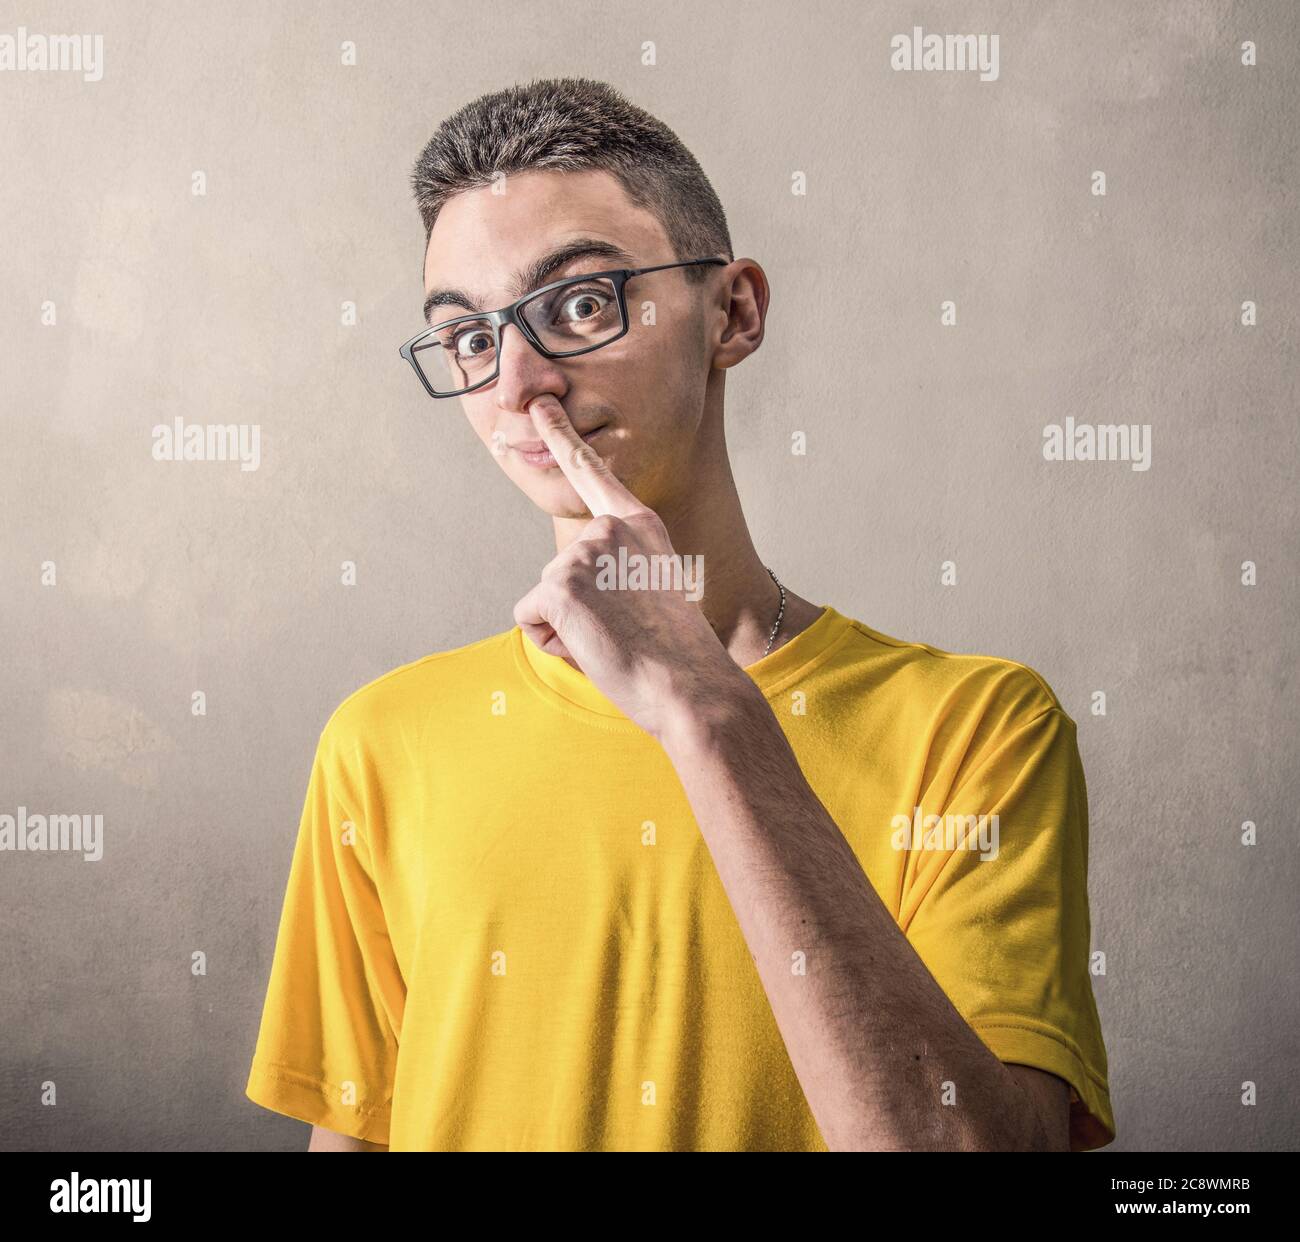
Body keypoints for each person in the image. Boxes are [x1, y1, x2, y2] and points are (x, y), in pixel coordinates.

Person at [245, 76, 1115, 1152]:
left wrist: (708, 710)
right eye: (469, 336)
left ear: (733, 312)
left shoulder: (977, 729)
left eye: (576, 305)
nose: (519, 384)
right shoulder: (380, 741)